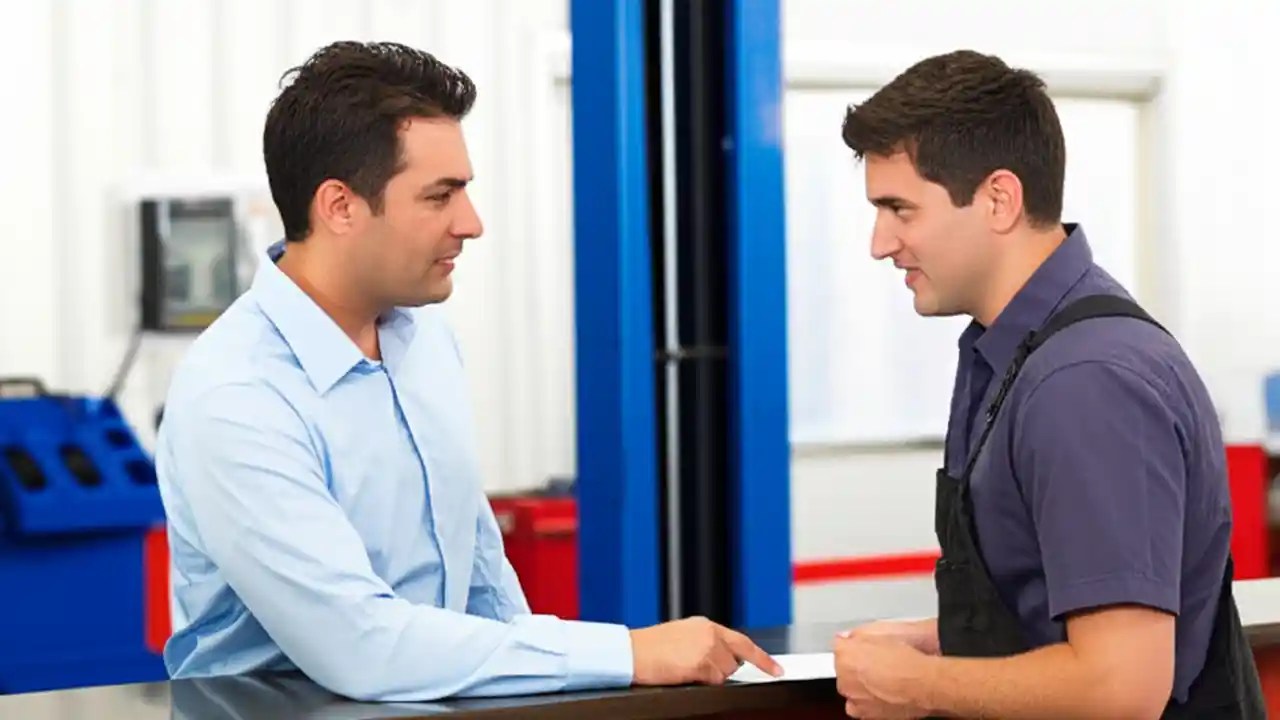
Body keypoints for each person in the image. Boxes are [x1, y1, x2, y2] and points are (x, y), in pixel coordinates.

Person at [154, 40, 780, 702]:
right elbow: (359, 645)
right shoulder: (237, 396)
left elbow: (481, 580)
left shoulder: (425, 342)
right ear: (340, 207)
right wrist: (626, 653)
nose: (471, 224)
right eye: (440, 196)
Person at [831, 50, 1264, 719]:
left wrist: (915, 685)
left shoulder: (1085, 382)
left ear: (999, 199)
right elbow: (1053, 613)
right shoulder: (1016, 355)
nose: (879, 242)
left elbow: (1120, 688)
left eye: (900, 209)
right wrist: (938, 641)